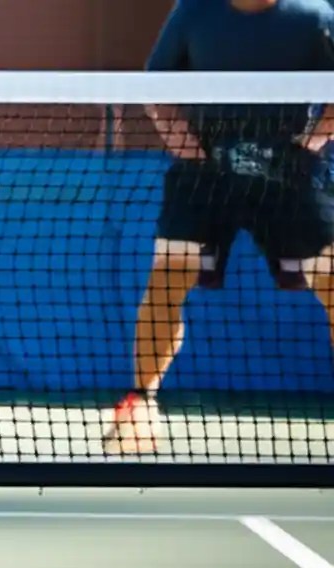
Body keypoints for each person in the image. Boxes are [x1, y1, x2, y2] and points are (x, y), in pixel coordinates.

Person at [105, 0, 334, 454]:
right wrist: (182, 142)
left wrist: (313, 140)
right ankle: (139, 404)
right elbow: (156, 84)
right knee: (168, 274)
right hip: (205, 173)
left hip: (291, 174)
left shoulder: (315, 16)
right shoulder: (194, 11)